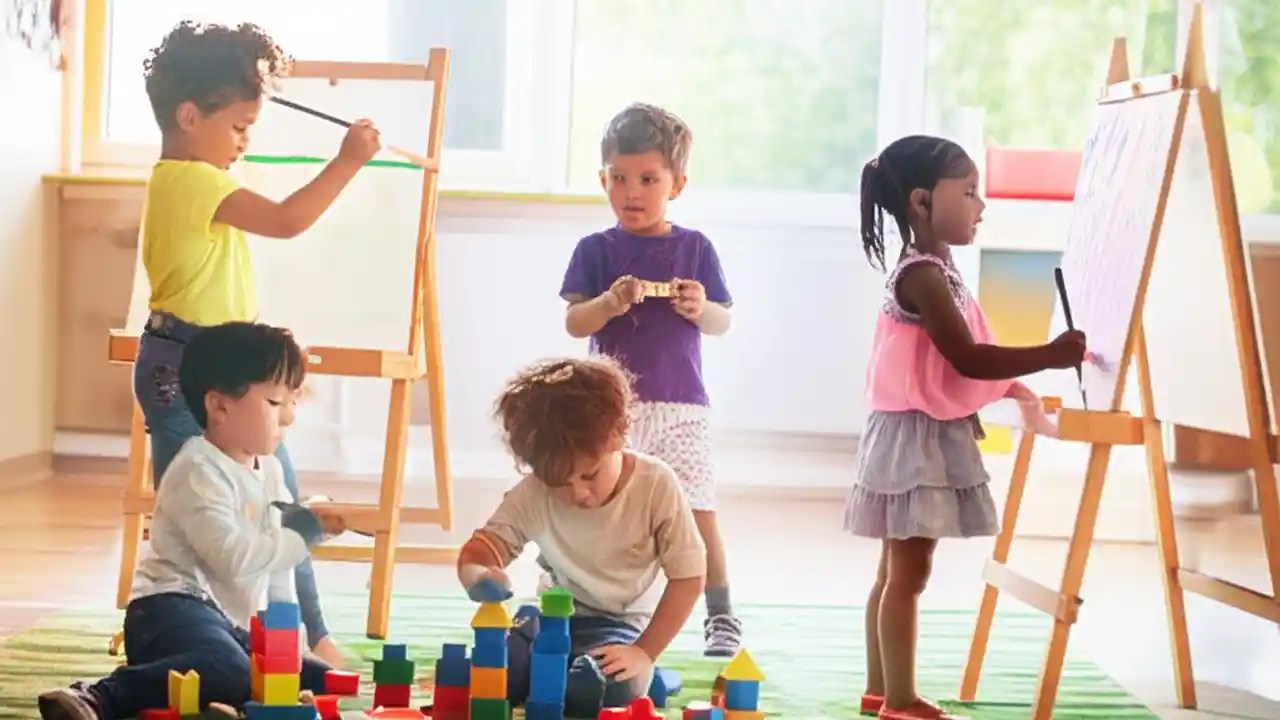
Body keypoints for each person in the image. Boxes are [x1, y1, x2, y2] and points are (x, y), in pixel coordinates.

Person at [130, 20, 381, 666]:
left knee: (276, 505)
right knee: (210, 510)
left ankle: (304, 636)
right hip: (190, 365)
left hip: (205, 357)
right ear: (190, 116)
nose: (245, 139)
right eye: (240, 124)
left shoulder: (182, 181)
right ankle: (194, 628)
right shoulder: (194, 181)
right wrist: (347, 160)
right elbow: (289, 221)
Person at [847, 135, 1086, 720]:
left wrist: (1021, 385)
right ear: (923, 202)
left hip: (910, 432)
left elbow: (973, 353)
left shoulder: (941, 268)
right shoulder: (924, 275)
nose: (981, 206)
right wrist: (1049, 356)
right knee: (909, 571)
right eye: (970, 193)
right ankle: (898, 701)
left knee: (895, 568)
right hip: (914, 438)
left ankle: (881, 689)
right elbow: (968, 358)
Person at [37, 322, 346, 720]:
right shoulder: (197, 470)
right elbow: (233, 557)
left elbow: (278, 574)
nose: (288, 418)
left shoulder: (269, 471)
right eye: (273, 403)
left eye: (293, 403)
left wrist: (290, 646)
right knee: (226, 668)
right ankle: (100, 695)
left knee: (317, 677)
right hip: (169, 610)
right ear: (219, 406)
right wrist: (301, 536)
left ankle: (212, 704)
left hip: (227, 625)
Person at [558, 102, 741, 656]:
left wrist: (698, 307)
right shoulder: (595, 251)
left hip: (683, 406)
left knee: (697, 508)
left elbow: (722, 322)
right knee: (601, 501)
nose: (631, 192)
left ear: (676, 184)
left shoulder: (696, 247)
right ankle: (583, 601)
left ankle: (721, 613)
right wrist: (609, 303)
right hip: (610, 410)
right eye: (618, 178)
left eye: (648, 179)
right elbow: (574, 323)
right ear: (602, 179)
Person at [456, 357, 706, 715]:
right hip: (553, 618)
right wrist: (480, 575)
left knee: (617, 687)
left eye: (590, 475)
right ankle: (549, 679)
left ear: (620, 432)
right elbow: (482, 548)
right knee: (495, 666)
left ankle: (592, 683)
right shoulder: (535, 491)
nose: (578, 493)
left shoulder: (656, 485)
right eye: (560, 483)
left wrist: (645, 651)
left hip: (621, 626)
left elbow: (690, 576)